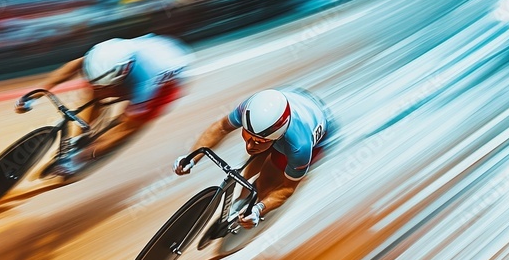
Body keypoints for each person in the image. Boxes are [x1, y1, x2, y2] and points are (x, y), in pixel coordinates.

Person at [18, 33, 192, 178]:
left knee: (130, 123)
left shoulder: (145, 81)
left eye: (105, 86)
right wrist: (34, 95)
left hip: (168, 81)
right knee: (95, 93)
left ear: (120, 78)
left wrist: (80, 158)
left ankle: (81, 157)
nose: (98, 89)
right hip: (146, 54)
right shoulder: (103, 54)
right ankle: (85, 133)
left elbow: (127, 128)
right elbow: (73, 67)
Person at [173, 87, 331, 229]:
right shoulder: (250, 108)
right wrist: (191, 158)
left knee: (268, 180)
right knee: (257, 155)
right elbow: (221, 127)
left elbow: (287, 188)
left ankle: (255, 197)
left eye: (258, 141)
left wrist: (259, 209)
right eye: (247, 135)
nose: (248, 146)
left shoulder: (299, 146)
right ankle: (243, 198)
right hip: (290, 102)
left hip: (310, 129)